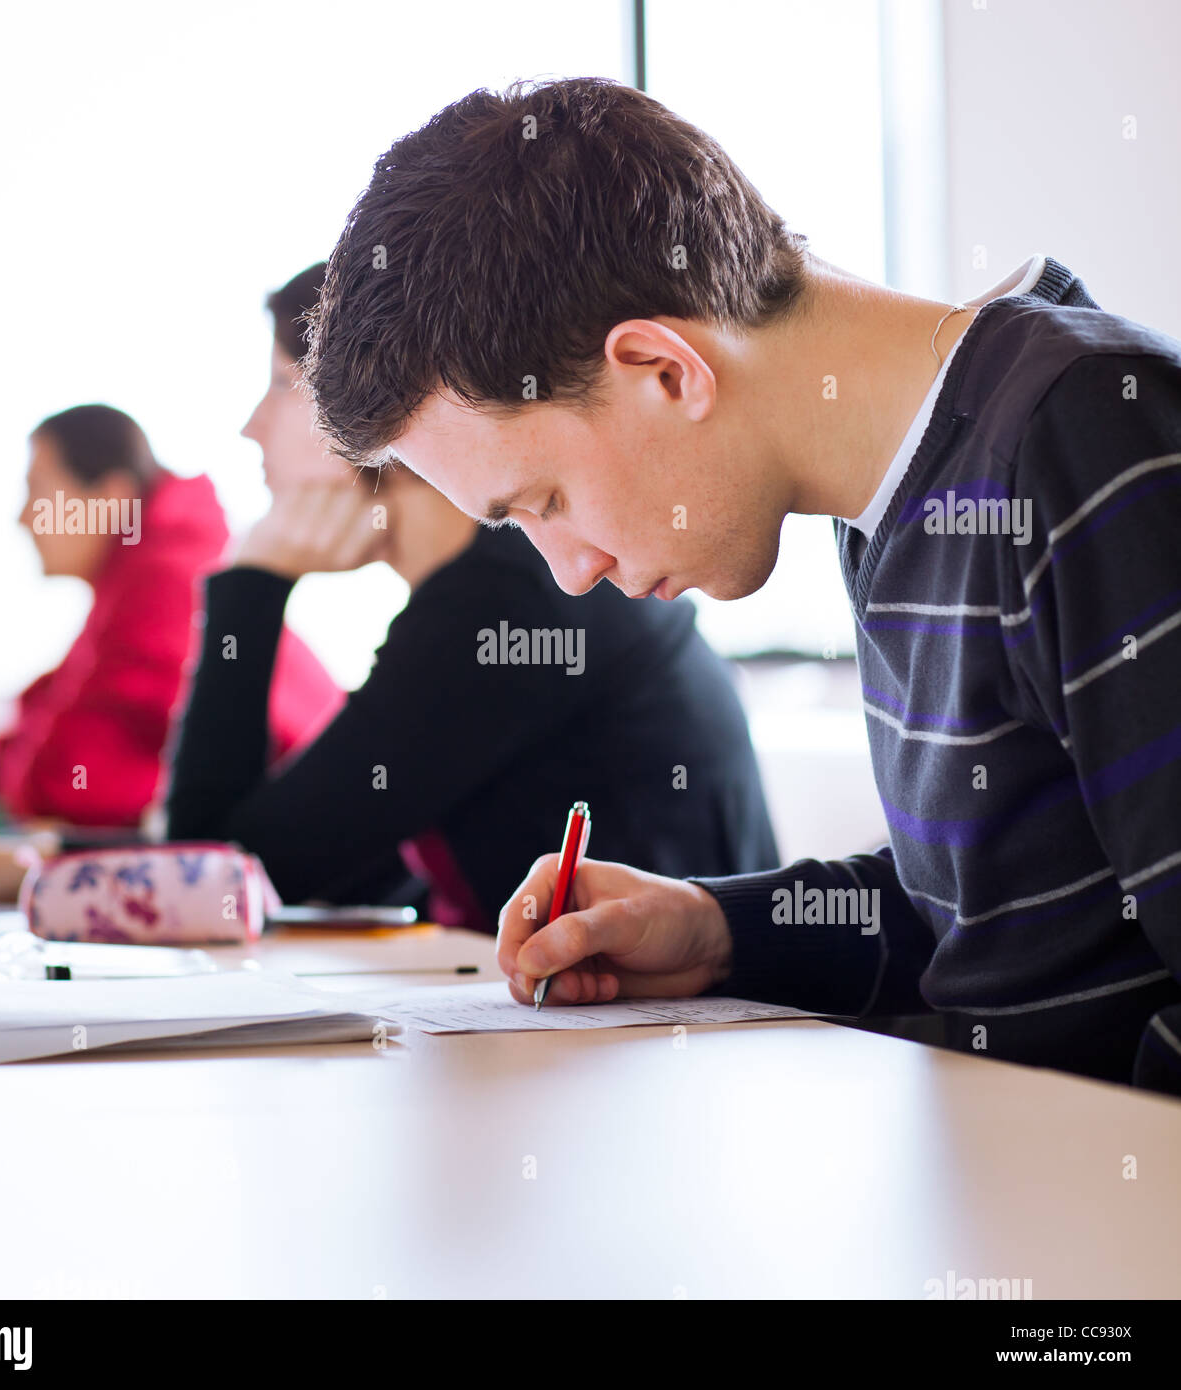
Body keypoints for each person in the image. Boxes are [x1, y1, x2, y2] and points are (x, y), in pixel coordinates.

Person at [304, 79, 1181, 1097]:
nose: (572, 570)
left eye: (542, 500)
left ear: (664, 371)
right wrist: (712, 929)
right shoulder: (902, 503)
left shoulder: (1087, 438)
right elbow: (1002, 919)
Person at [166, 262, 778, 929]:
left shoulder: (505, 604)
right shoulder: (495, 583)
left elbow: (210, 878)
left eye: (283, 384)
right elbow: (333, 855)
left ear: (372, 407)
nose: (251, 427)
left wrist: (251, 586)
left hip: (685, 1025)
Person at [0, 403, 342, 827]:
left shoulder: (164, 584)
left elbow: (62, 787)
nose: (23, 518)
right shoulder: (138, 579)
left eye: (38, 490)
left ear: (111, 497)